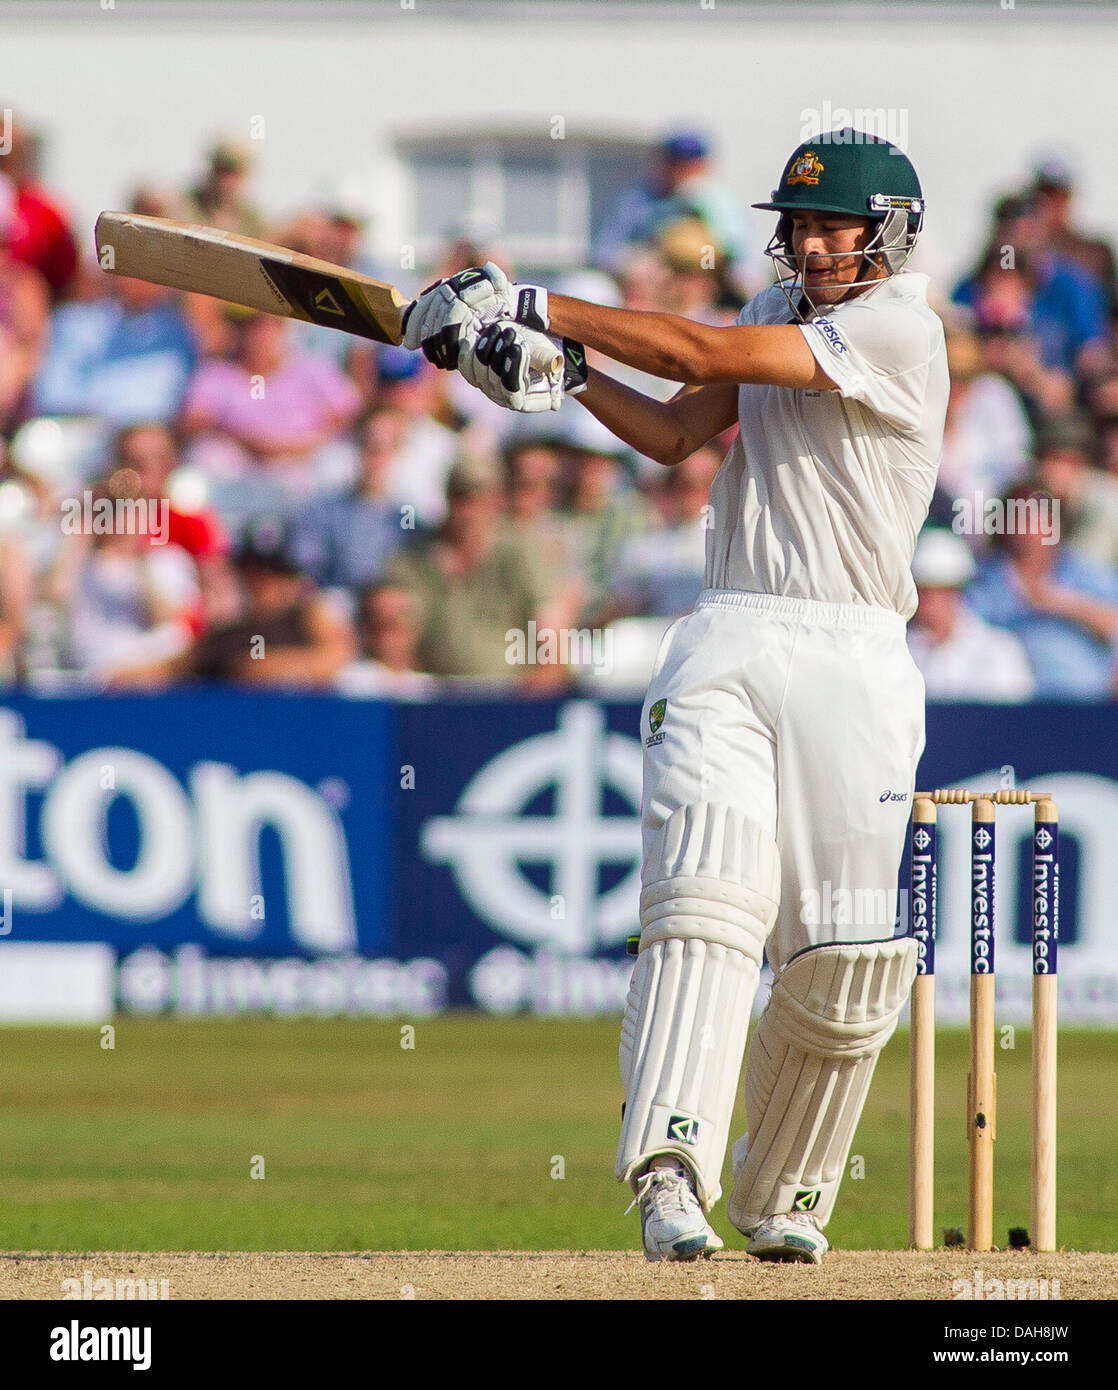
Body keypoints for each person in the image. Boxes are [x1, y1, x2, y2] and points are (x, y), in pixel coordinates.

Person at [403, 128, 948, 1264]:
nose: (806, 243)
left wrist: (539, 301)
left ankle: (786, 1196)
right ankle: (667, 1175)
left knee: (845, 956)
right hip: (729, 630)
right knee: (701, 908)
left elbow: (702, 347)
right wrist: (554, 375)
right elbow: (672, 432)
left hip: (854, 652)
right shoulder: (771, 308)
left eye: (827, 226)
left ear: (885, 234)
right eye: (795, 225)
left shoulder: (902, 327)